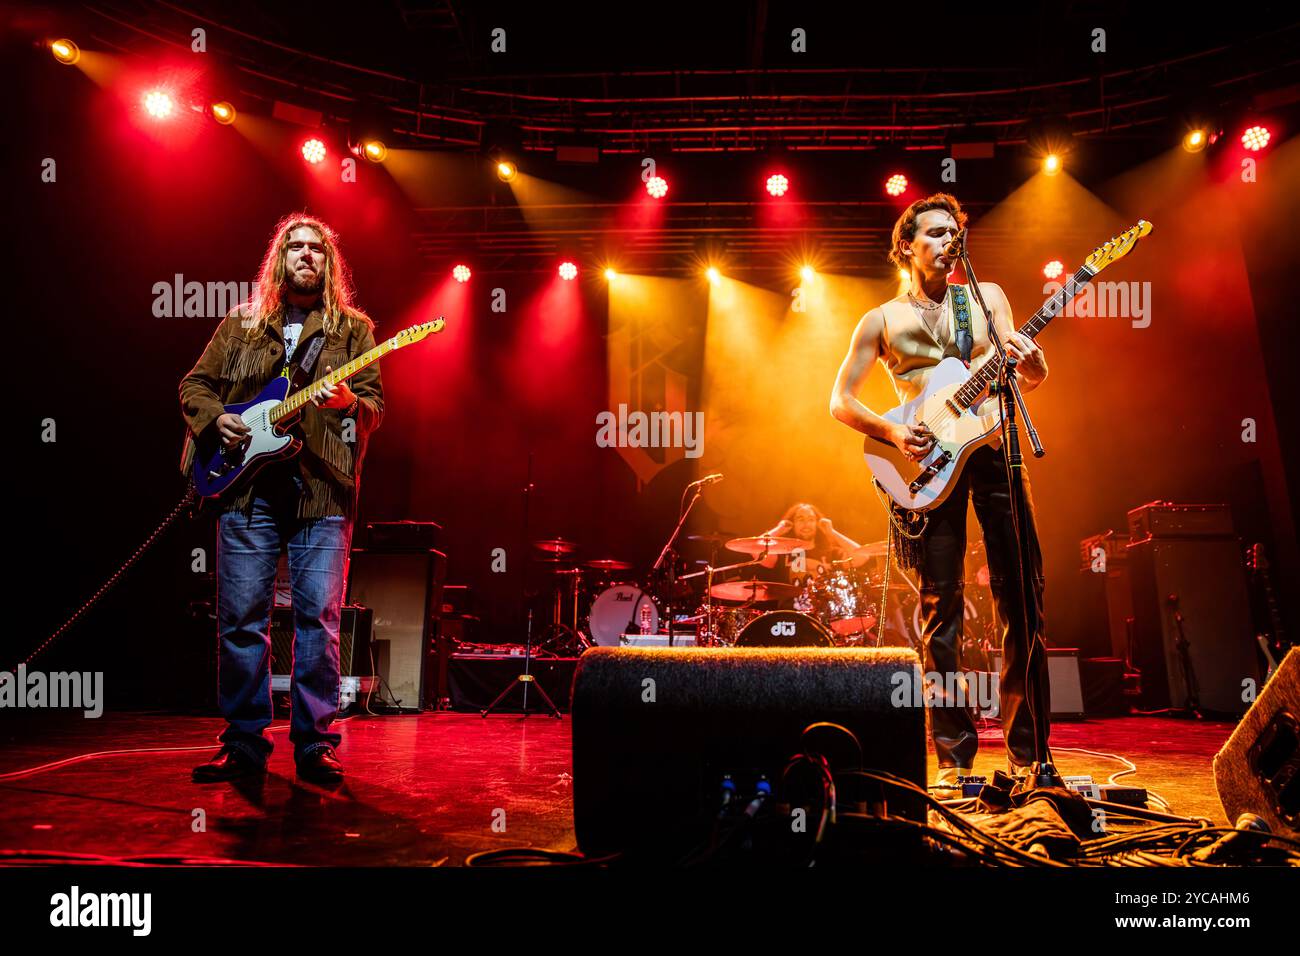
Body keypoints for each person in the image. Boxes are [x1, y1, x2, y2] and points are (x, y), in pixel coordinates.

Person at [829, 192, 1051, 788]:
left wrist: (1032, 364)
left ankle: (1029, 756)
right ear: (907, 245)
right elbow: (839, 400)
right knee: (940, 611)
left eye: (956, 231)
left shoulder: (986, 298)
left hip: (994, 447)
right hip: (927, 462)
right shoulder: (880, 319)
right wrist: (893, 430)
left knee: (1022, 599)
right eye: (935, 232)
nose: (949, 240)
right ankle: (954, 759)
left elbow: (1028, 370)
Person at [180, 214, 383, 784]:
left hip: (322, 493)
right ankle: (244, 740)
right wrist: (216, 419)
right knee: (241, 619)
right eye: (295, 247)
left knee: (318, 619)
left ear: (330, 261)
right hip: (247, 494)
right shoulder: (242, 324)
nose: (306, 255)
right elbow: (193, 385)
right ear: (279, 258)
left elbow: (375, 409)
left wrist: (349, 405)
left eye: (317, 248)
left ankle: (316, 743)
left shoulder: (353, 331)